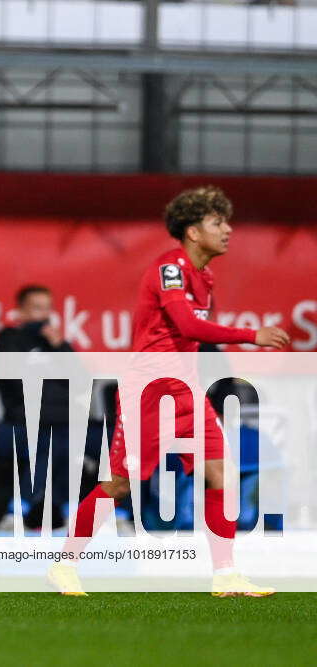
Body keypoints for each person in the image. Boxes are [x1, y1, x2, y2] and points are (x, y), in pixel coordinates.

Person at [47, 186, 290, 597]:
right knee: (120, 483)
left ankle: (226, 573)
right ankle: (64, 565)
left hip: (187, 392)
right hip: (150, 390)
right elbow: (188, 326)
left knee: (222, 473)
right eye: (217, 222)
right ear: (193, 231)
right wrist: (252, 335)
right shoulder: (169, 268)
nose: (228, 230)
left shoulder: (205, 276)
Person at [0, 285, 73, 530]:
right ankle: (20, 511)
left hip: (60, 421)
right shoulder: (9, 340)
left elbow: (81, 382)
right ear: (21, 311)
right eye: (37, 308)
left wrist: (60, 347)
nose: (44, 314)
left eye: (47, 308)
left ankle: (29, 509)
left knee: (104, 438)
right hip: (21, 423)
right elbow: (17, 386)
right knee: (53, 440)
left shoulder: (57, 344)